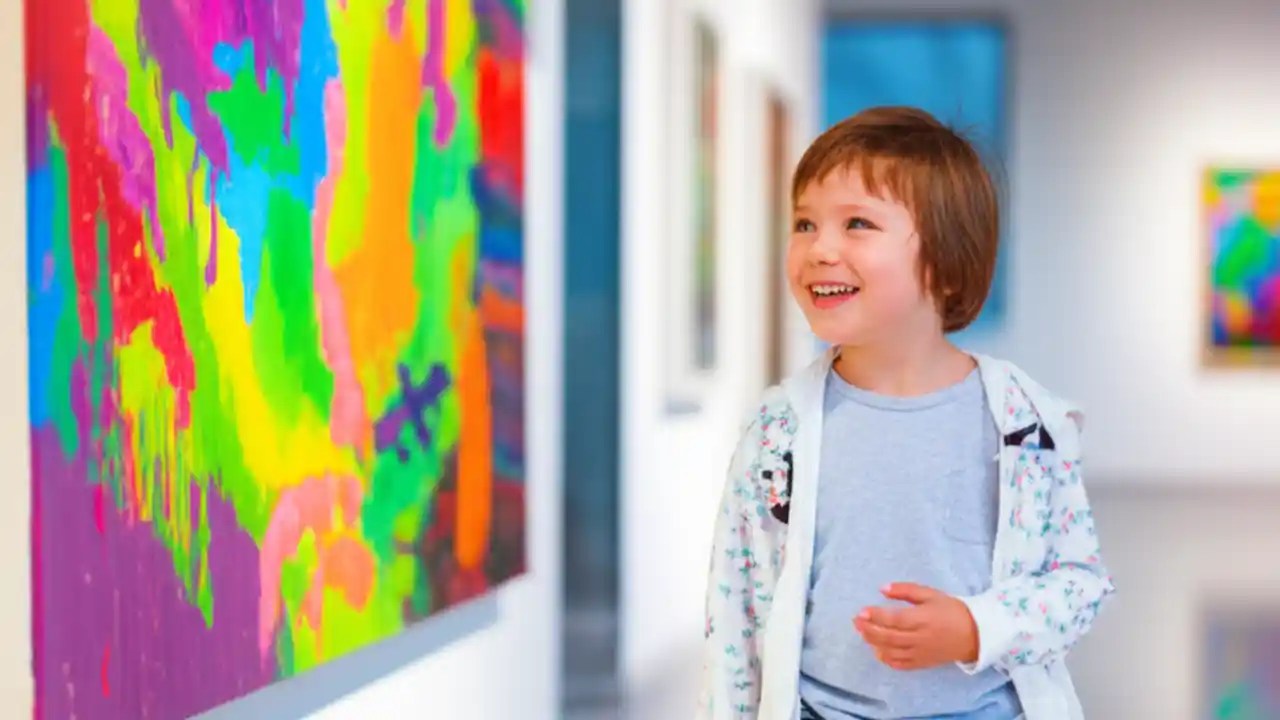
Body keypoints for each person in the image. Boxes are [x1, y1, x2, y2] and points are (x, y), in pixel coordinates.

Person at [697, 107, 1115, 720]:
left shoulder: (1025, 423)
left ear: (946, 263)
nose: (820, 249)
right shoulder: (777, 429)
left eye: (857, 223)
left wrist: (976, 627)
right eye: (805, 223)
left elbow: (1079, 583)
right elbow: (736, 619)